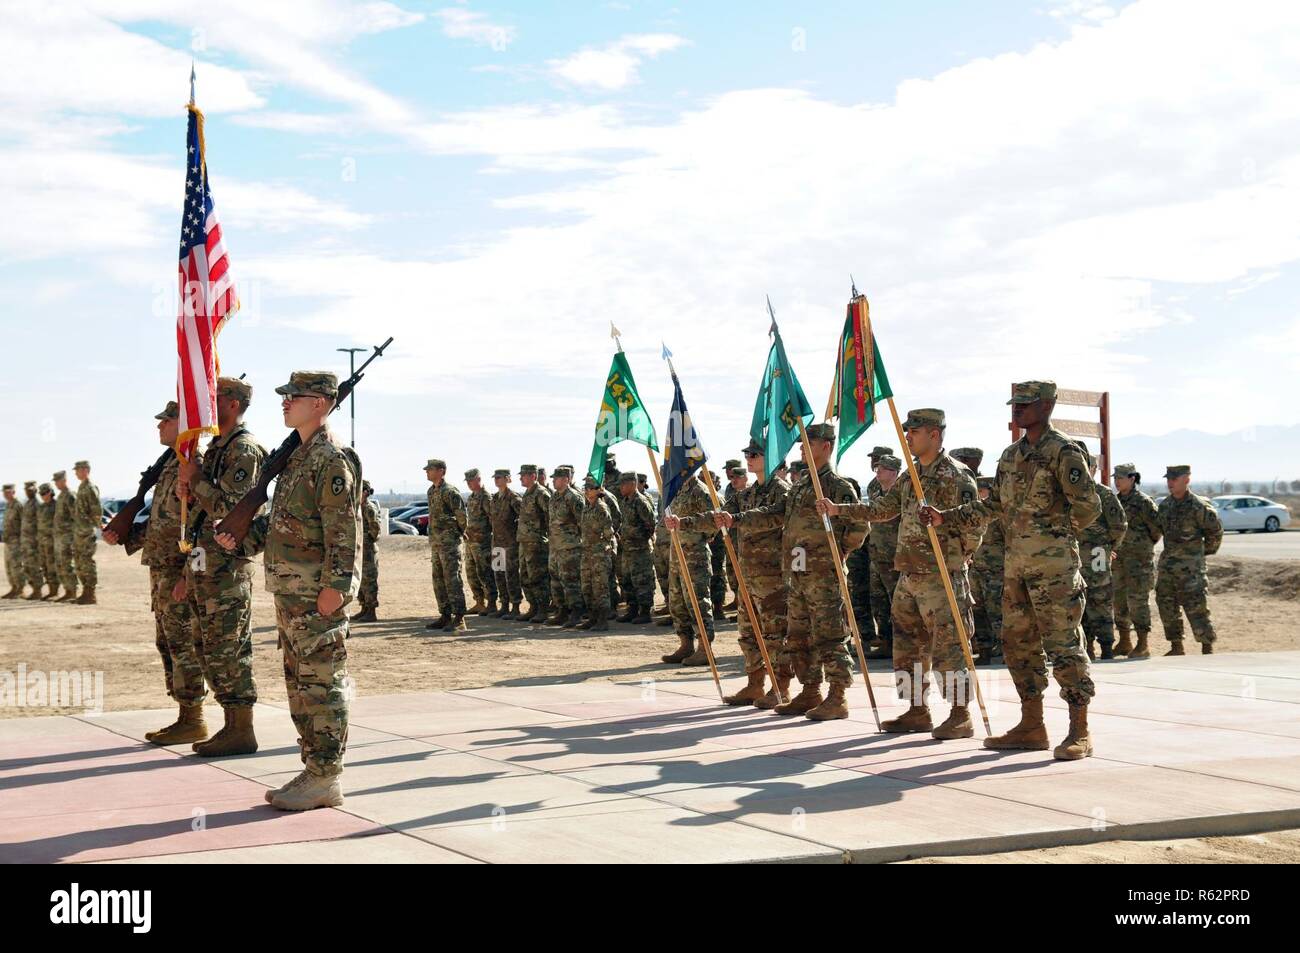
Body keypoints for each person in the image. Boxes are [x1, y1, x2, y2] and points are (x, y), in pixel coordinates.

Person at [922, 381, 1100, 761]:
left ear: (1048, 406)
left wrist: (1055, 536)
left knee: (1064, 646)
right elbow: (993, 507)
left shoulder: (1063, 452)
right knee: (1018, 646)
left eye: (1026, 404)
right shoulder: (1010, 456)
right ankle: (1031, 725)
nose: (1017, 410)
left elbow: (1088, 507)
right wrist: (946, 518)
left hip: (1054, 570)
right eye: (1015, 404)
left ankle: (1079, 730)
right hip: (1016, 568)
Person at [217, 370, 360, 810]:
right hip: (291, 592)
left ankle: (325, 777)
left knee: (322, 684)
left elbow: (345, 531)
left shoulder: (331, 457)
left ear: (319, 402)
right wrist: (243, 536)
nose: (284, 401)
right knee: (299, 685)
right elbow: (288, 523)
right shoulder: (296, 457)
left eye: (293, 396)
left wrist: (337, 588)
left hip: (317, 592)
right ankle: (313, 769)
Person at [819, 411, 982, 737]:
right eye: (906, 431)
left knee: (950, 647)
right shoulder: (911, 476)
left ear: (934, 435)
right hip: (909, 575)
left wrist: (956, 560)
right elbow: (882, 509)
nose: (907, 437)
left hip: (941, 575)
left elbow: (974, 526)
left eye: (914, 431)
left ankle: (960, 713)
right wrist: (839, 510)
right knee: (907, 647)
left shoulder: (957, 476)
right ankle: (916, 709)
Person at [719, 423, 866, 720]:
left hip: (823, 574)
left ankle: (837, 697)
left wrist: (839, 551)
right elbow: (775, 514)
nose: (801, 448)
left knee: (830, 635)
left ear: (826, 446)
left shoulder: (838, 486)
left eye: (808, 443)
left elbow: (860, 526)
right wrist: (737, 519)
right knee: (799, 636)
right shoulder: (801, 487)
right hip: (797, 573)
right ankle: (810, 691)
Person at [106, 401, 209, 746]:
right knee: (167, 643)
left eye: (166, 420)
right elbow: (162, 521)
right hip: (162, 568)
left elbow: (203, 525)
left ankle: (194, 717)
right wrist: (126, 534)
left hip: (178, 571)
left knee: (183, 644)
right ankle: (184, 715)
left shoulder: (195, 463)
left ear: (184, 422)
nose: (159, 426)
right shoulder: (170, 463)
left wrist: (188, 575)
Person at [178, 375, 265, 756]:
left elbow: (231, 509)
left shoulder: (243, 450)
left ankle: (241, 728)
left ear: (233, 403)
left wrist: (195, 479)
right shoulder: (218, 448)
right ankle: (229, 725)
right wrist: (191, 486)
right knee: (208, 644)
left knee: (229, 646)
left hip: (227, 566)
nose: (208, 404)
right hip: (205, 562)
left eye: (215, 397)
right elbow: (206, 507)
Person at [722, 440, 791, 706]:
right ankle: (754, 684)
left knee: (775, 635)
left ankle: (781, 687)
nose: (748, 459)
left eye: (754, 455)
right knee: (747, 634)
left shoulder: (781, 491)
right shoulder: (748, 493)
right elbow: (725, 512)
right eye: (747, 455)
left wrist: (738, 519)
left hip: (772, 577)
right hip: (748, 575)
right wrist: (685, 523)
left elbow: (773, 515)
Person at [1155, 465, 1222, 655]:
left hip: (1191, 568)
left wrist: (1199, 554)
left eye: (1174, 479)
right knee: (1166, 604)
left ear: (1187, 479)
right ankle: (1176, 646)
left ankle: (1206, 646)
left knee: (1196, 607)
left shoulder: (1198, 507)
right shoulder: (1165, 506)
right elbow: (1158, 530)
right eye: (1168, 479)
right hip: (1168, 566)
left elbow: (1215, 532)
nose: (1170, 482)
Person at [1072, 443, 1127, 660]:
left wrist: (1109, 547)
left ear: (1093, 469)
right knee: (1078, 601)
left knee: (1100, 600)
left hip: (1097, 556)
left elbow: (1119, 525)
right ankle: (1087, 647)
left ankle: (1106, 646)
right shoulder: (1069, 494)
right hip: (1074, 557)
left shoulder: (1103, 494)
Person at [660, 470, 717, 666]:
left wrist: (702, 536)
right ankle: (686, 644)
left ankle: (705, 649)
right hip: (676, 554)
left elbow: (714, 519)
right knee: (678, 602)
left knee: (697, 602)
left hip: (695, 556)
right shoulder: (677, 491)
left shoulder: (699, 490)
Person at [1111, 463, 1160, 658]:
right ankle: (1125, 641)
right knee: (1119, 601)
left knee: (1138, 601)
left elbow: (1156, 530)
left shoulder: (1143, 502)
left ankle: (1143, 644)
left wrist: (1142, 547)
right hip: (1119, 562)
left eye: (1121, 478)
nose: (1117, 481)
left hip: (1139, 562)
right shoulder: (1114, 501)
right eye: (1115, 478)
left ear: (1132, 479)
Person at [865, 455, 903, 659]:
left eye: (883, 468)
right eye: (877, 468)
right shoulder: (875, 491)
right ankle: (886, 641)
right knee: (879, 601)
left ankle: (901, 645)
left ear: (894, 472)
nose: (877, 471)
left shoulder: (902, 495)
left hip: (895, 557)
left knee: (897, 603)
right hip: (877, 555)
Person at [424, 458, 468, 632]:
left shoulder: (450, 492)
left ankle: (459, 618)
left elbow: (462, 517)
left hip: (450, 544)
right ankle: (445, 615)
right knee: (439, 580)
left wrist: (456, 533)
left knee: (453, 580)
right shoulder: (431, 491)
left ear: (441, 471)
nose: (427, 472)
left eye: (430, 469)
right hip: (436, 543)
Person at [969, 475, 1006, 665]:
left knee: (997, 610)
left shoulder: (999, 515)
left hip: (995, 571)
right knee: (978, 610)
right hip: (975, 570)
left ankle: (1003, 647)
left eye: (982, 491)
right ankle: (984, 649)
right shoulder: (975, 512)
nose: (980, 494)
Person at [546, 465, 586, 627]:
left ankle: (576, 612)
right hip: (555, 547)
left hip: (570, 548)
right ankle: (561, 611)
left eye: (556, 478)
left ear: (566, 479)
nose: (554, 481)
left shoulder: (574, 498)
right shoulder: (555, 497)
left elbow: (582, 522)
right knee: (556, 581)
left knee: (571, 581)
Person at [617, 471, 657, 624]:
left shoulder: (640, 502)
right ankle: (632, 609)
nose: (621, 487)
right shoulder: (625, 501)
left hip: (640, 550)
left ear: (633, 484)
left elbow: (650, 525)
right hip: (627, 550)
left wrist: (639, 538)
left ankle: (645, 612)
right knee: (628, 580)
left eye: (623, 484)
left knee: (642, 581)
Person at [579, 475, 615, 630]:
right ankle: (592, 617)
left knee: (600, 588)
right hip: (587, 552)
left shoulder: (601, 508)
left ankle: (602, 620)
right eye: (585, 488)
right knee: (587, 587)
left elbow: (608, 532)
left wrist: (605, 549)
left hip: (599, 553)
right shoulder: (587, 507)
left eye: (590, 488)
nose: (586, 491)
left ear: (597, 491)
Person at [517, 464, 553, 622]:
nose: (520, 478)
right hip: (524, 542)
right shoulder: (527, 493)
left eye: (523, 475)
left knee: (538, 577)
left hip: (537, 543)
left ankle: (543, 609)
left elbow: (550, 517)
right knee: (525, 576)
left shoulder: (541, 494)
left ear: (533, 476)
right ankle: (533, 606)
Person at [488, 468, 524, 618]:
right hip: (496, 542)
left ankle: (515, 606)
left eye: (500, 477)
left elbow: (523, 517)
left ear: (508, 479)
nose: (497, 480)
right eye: (495, 477)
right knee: (499, 575)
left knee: (511, 575)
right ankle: (504, 605)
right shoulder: (495, 498)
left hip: (510, 544)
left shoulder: (513, 498)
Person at [463, 468, 498, 616]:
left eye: (472, 481)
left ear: (479, 479)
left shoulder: (485, 497)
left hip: (483, 542)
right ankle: (479, 602)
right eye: (468, 482)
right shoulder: (471, 498)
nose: (470, 484)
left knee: (485, 572)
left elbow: (492, 519)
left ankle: (491, 603)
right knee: (471, 573)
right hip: (470, 542)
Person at [73, 460, 100, 604]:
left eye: (77, 470)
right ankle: (85, 591)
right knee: (79, 562)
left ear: (85, 470)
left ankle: (91, 593)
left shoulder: (90, 487)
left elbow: (96, 511)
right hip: (79, 532)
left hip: (86, 532)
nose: (76, 473)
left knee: (86, 561)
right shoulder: (82, 487)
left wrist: (96, 527)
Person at [356, 480, 381, 623]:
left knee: (369, 580)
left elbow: (375, 527)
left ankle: (371, 611)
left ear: (365, 492)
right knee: (361, 580)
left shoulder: (368, 507)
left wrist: (368, 539)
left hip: (368, 550)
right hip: (360, 548)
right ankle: (364, 607)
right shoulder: (358, 507)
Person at [52, 471, 78, 601]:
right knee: (61, 564)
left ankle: (72, 591)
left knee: (67, 563)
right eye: (55, 481)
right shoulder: (61, 496)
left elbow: (75, 516)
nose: (56, 484)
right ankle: (67, 590)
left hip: (67, 536)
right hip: (60, 537)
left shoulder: (70, 495)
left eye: (58, 481)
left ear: (64, 480)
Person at [21, 481, 44, 600]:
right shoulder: (27, 503)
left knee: (35, 566)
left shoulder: (37, 504)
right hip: (26, 541)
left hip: (34, 541)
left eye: (31, 490)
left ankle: (38, 590)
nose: (28, 492)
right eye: (27, 490)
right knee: (28, 566)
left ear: (35, 490)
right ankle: (34, 589)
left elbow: (40, 523)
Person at [2, 483, 25, 598]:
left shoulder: (18, 505)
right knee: (9, 565)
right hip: (8, 541)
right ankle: (14, 587)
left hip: (16, 540)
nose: (6, 494)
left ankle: (20, 589)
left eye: (8, 492)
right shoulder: (8, 505)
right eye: (4, 492)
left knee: (16, 565)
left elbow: (24, 523)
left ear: (13, 492)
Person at [35, 484, 58, 600]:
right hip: (42, 541)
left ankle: (54, 591)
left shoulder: (57, 505)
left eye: (45, 493)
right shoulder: (41, 507)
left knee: (52, 566)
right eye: (41, 494)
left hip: (52, 541)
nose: (43, 496)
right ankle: (50, 590)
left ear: (50, 492)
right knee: (44, 566)